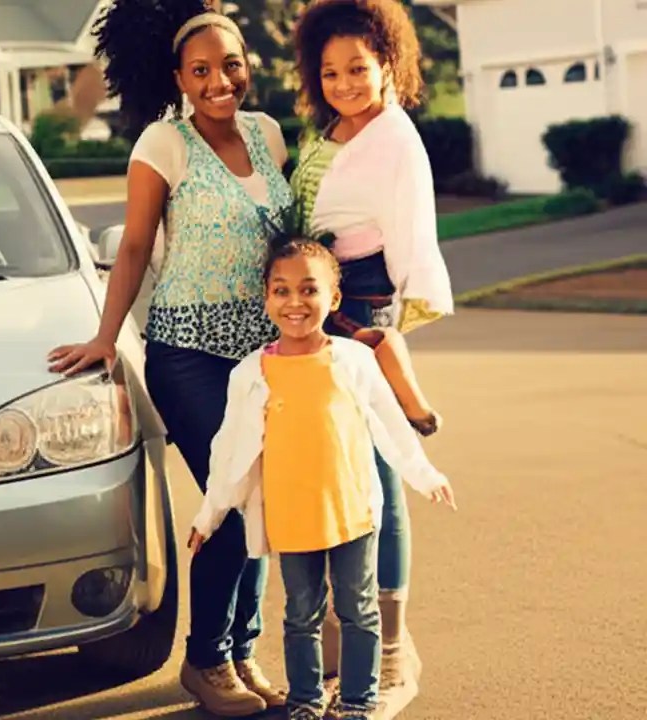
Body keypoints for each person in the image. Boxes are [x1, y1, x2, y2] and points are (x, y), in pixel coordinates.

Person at [47, 1, 293, 716]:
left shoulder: (270, 135)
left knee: (263, 507)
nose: (220, 81)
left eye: (231, 65)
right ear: (180, 78)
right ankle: (205, 661)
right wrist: (104, 335)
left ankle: (241, 651)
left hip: (264, 354)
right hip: (188, 354)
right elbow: (131, 247)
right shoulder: (164, 143)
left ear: (249, 64)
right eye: (202, 71)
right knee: (230, 498)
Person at [186, 238, 457, 720]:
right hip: (292, 515)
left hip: (351, 511)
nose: (295, 302)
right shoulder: (252, 373)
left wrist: (424, 473)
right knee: (300, 614)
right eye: (281, 290)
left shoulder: (354, 359)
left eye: (309, 290)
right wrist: (210, 514)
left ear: (333, 299)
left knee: (358, 610)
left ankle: (357, 701)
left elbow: (389, 423)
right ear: (266, 298)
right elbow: (228, 450)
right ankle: (307, 700)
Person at [287, 0, 457, 710]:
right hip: (316, 299)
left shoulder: (394, 137)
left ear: (390, 62)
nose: (345, 83)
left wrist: (388, 322)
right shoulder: (330, 129)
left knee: (380, 478)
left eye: (358, 67)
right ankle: (338, 633)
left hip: (360, 299)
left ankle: (390, 645)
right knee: (331, 470)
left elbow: (411, 233)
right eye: (330, 72)